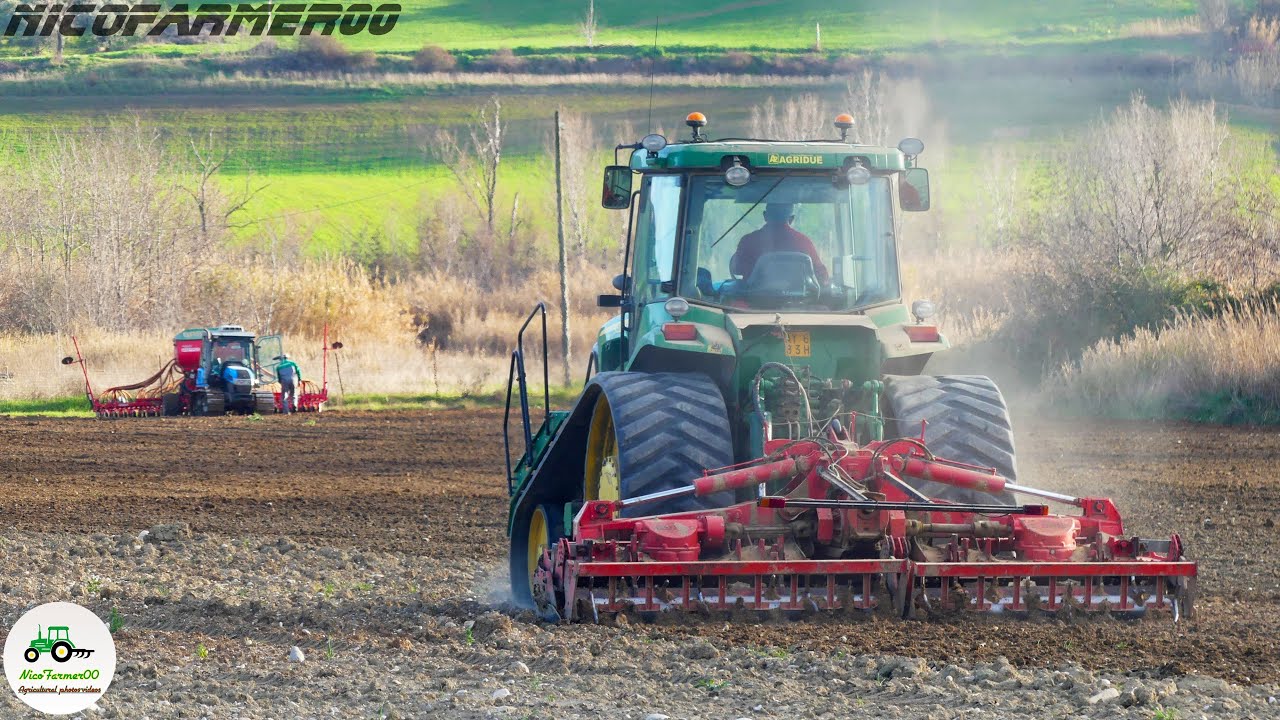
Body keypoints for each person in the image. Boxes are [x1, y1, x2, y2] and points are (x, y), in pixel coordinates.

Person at [730, 203, 830, 284]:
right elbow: (821, 275)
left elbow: (736, 269)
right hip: (797, 304)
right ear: (791, 219)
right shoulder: (804, 242)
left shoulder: (748, 241)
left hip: (752, 305)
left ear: (765, 216)